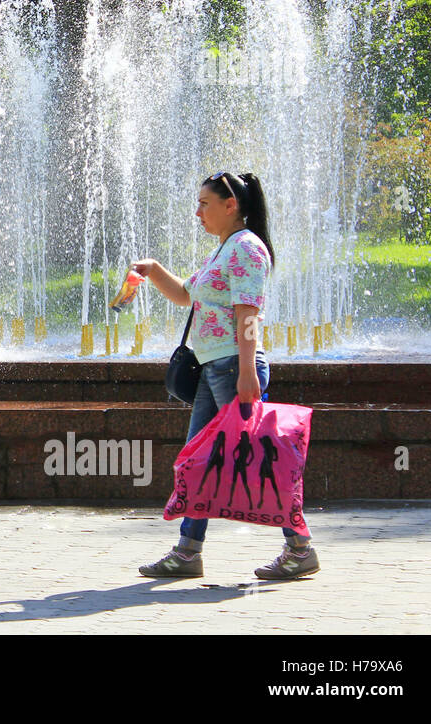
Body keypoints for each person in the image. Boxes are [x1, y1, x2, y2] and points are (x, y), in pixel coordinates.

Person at [135, 171, 319, 580]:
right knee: (196, 463)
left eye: (204, 203)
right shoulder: (224, 249)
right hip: (214, 368)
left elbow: (248, 314)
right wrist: (153, 270)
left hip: (234, 367)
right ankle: (187, 553)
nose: (197, 212)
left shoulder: (246, 249)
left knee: (261, 461)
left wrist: (249, 370)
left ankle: (299, 547)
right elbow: (187, 295)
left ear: (230, 204)